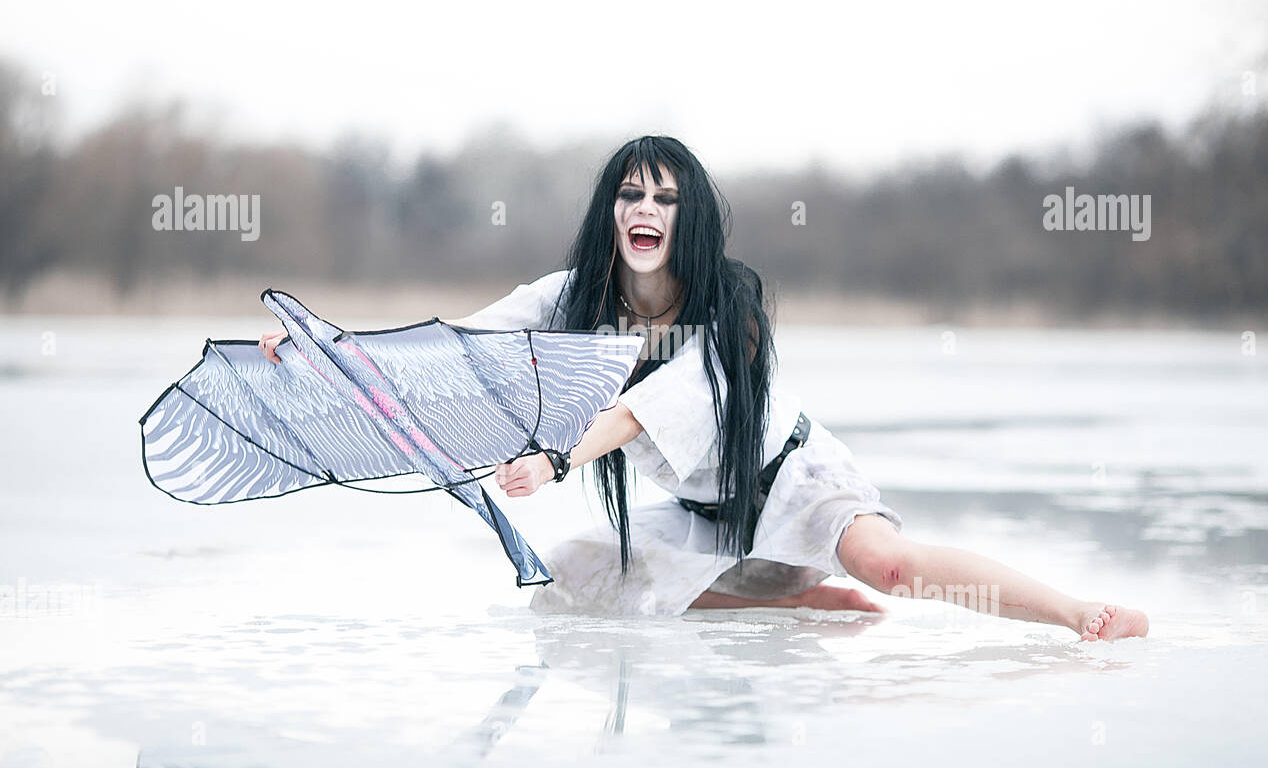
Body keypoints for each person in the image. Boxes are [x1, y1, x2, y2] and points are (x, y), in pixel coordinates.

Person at [260, 136, 1148, 642]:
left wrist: (558, 457)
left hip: (790, 481)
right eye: (630, 195)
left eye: (665, 198)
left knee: (889, 566)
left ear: (689, 217)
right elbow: (455, 349)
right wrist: (319, 351)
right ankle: (788, 593)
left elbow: (651, 407)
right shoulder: (568, 299)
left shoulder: (733, 300)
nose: (645, 210)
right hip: (699, 506)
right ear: (611, 211)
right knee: (570, 573)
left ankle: (1077, 614)